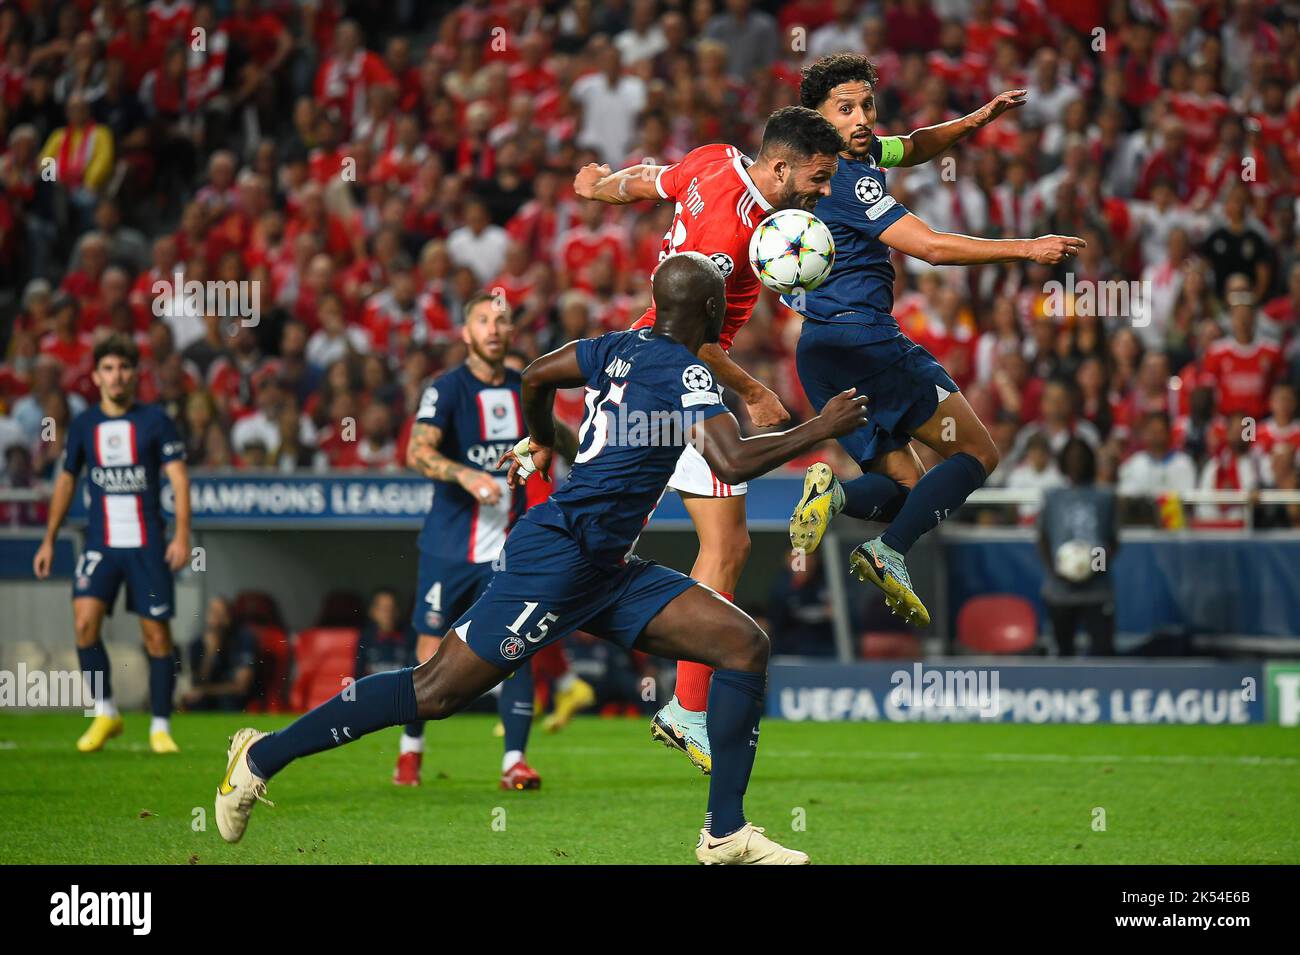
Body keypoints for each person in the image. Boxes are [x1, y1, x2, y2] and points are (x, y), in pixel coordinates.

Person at [215, 252, 868, 863]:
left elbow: (534, 375)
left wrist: (545, 439)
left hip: (608, 568)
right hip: (557, 559)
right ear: (705, 312)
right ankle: (261, 757)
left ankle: (724, 832)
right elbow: (730, 457)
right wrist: (820, 428)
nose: (727, 315)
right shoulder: (688, 369)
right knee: (436, 690)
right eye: (722, 306)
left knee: (743, 644)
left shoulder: (617, 346)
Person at [573, 104, 842, 774]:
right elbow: (693, 335)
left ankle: (513, 634)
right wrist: (752, 390)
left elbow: (652, 179)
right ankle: (683, 708)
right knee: (717, 545)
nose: (825, 190)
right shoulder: (733, 234)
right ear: (779, 168)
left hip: (629, 370)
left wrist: (600, 185)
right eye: (818, 176)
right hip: (676, 381)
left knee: (612, 539)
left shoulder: (715, 157)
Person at [785, 53, 1083, 627]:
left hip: (818, 352)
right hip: (867, 342)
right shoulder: (845, 180)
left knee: (905, 488)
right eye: (845, 109)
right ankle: (887, 552)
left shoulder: (851, 155)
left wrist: (975, 120)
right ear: (818, 118)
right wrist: (1027, 247)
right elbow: (933, 247)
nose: (862, 117)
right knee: (978, 453)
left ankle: (838, 497)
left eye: (867, 104)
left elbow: (914, 145)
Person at [397, 291, 578, 790]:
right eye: (482, 321)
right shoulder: (447, 388)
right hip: (450, 544)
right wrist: (464, 476)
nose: (494, 329)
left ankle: (513, 762)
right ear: (465, 333)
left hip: (508, 547)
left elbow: (559, 435)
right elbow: (418, 451)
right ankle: (410, 751)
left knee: (515, 645)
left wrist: (586, 458)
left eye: (501, 321)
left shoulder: (528, 387)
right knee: (431, 653)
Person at [32, 333, 192, 753]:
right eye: (108, 368)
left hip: (147, 545)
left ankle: (160, 726)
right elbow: (66, 480)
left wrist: (181, 534)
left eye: (123, 367)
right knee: (84, 622)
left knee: (156, 635)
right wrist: (48, 540)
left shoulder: (156, 420)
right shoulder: (84, 425)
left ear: (135, 374)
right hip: (101, 543)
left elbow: (178, 478)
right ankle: (106, 712)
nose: (116, 375)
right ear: (96, 376)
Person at [1038, 439, 1119, 656]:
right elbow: (1043, 538)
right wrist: (1055, 571)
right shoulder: (1052, 497)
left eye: (1081, 458)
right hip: (1060, 591)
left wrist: (1095, 568)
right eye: (1071, 458)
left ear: (1089, 461)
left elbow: (1111, 541)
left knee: (1103, 651)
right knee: (1063, 651)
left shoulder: (1104, 496)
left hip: (1097, 591)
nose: (1076, 463)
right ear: (1063, 462)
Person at [182, 596, 257, 712]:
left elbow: (241, 687)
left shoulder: (244, 640)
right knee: (193, 702)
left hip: (232, 699)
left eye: (221, 614)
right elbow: (198, 684)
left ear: (229, 617)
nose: (217, 620)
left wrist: (206, 691)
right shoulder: (197, 644)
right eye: (214, 613)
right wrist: (210, 653)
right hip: (208, 698)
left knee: (228, 701)